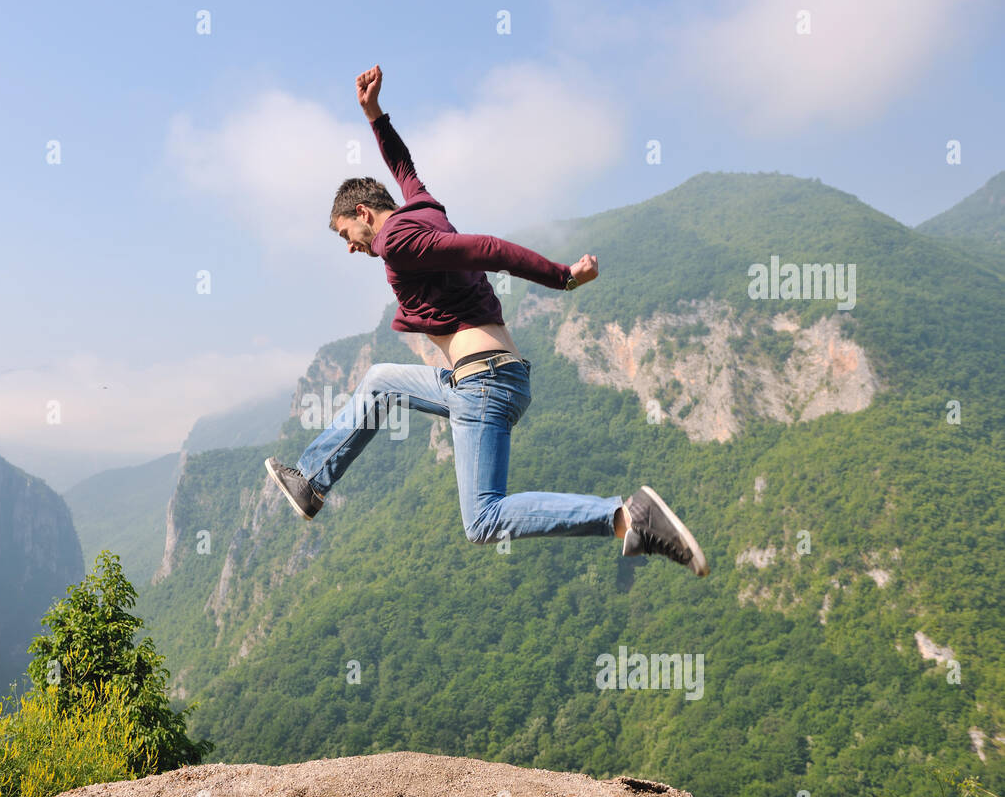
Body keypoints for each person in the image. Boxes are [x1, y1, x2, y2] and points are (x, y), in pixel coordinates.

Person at [265, 65, 708, 576]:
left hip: (483, 382)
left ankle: (627, 517)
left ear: (364, 213)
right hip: (486, 377)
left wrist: (563, 277)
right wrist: (375, 116)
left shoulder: (395, 242)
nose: (351, 247)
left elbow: (488, 249)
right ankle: (312, 482)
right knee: (380, 380)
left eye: (347, 234)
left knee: (482, 520)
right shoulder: (423, 208)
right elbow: (403, 166)